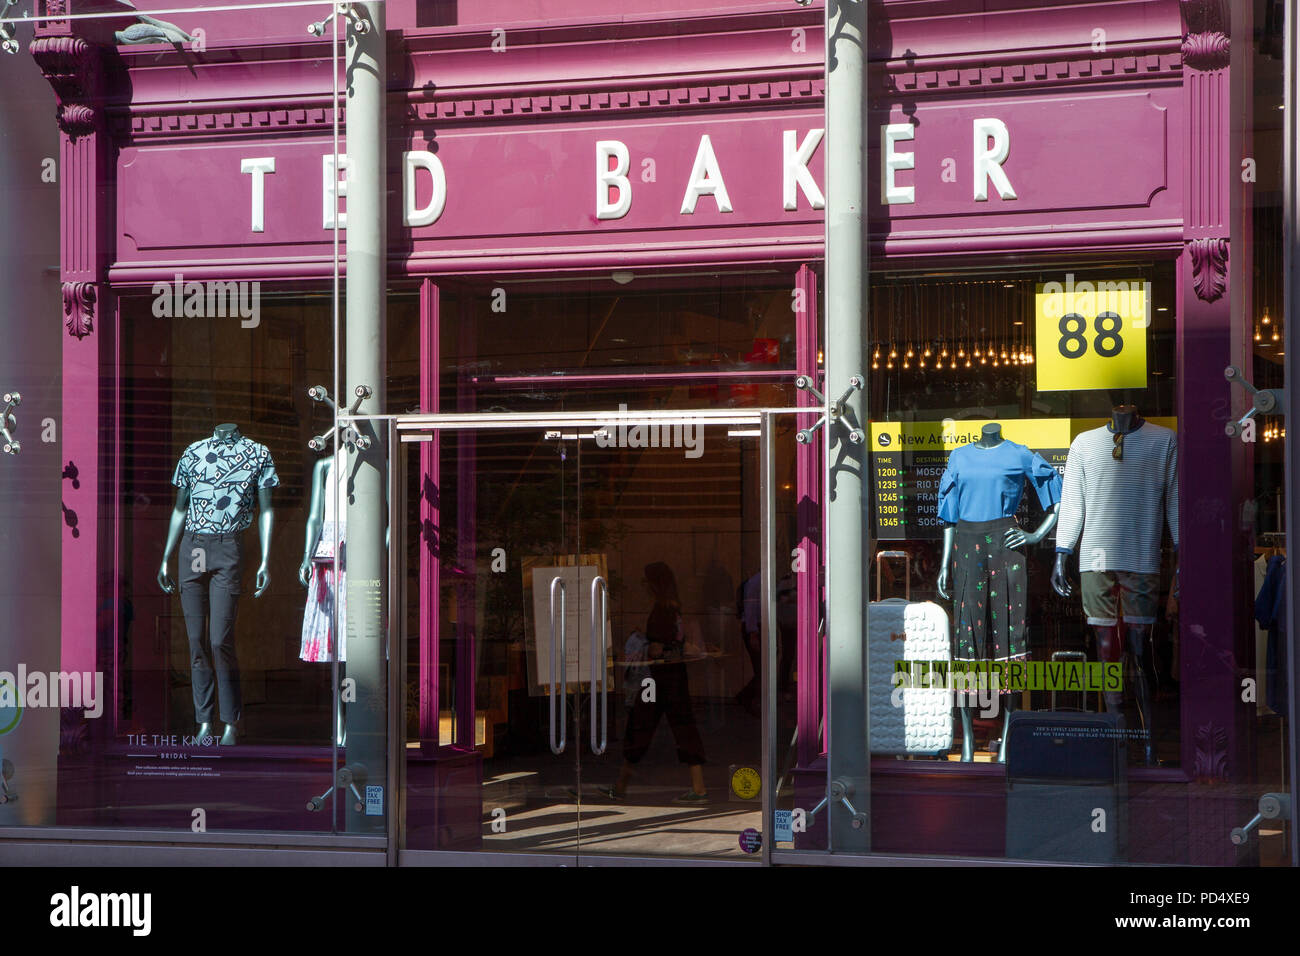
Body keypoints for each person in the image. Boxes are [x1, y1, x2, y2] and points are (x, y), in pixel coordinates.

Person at [607, 562, 708, 803]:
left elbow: (660, 647)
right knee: (682, 727)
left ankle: (621, 785)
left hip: (656, 679)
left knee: (640, 728)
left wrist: (643, 643)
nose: (643, 586)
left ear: (654, 584)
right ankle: (698, 786)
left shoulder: (661, 610)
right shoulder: (673, 608)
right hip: (673, 678)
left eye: (645, 581)